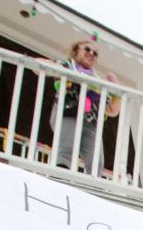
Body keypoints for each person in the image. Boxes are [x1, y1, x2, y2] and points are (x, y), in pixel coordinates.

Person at [50, 38, 120, 174]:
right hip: (68, 112)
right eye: (87, 49)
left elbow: (112, 111)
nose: (91, 53)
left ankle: (90, 190)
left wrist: (116, 88)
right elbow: (40, 68)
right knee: (66, 150)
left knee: (97, 162)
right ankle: (59, 180)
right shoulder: (67, 66)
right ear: (76, 51)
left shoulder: (97, 81)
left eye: (95, 53)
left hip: (90, 122)